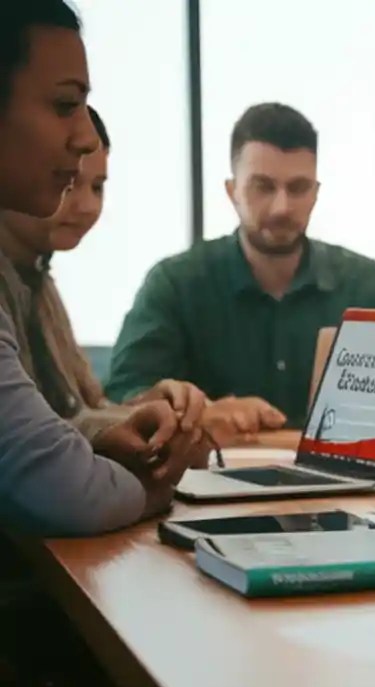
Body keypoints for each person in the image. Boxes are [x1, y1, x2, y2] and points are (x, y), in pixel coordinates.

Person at [0, 0, 203, 535]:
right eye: (66, 103)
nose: (88, 138)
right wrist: (155, 490)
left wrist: (101, 438)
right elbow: (63, 489)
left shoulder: (39, 281)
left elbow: (49, 430)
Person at [106, 102, 375, 434]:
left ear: (316, 193)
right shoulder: (177, 284)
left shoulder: (369, 287)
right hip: (208, 476)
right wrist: (203, 412)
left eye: (298, 188)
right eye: (263, 187)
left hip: (348, 479)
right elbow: (122, 396)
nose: (282, 207)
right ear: (232, 191)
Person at [0, 106, 211, 442]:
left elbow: (80, 411)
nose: (86, 205)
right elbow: (25, 440)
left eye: (97, 187)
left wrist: (145, 409)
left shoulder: (39, 279)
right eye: (67, 184)